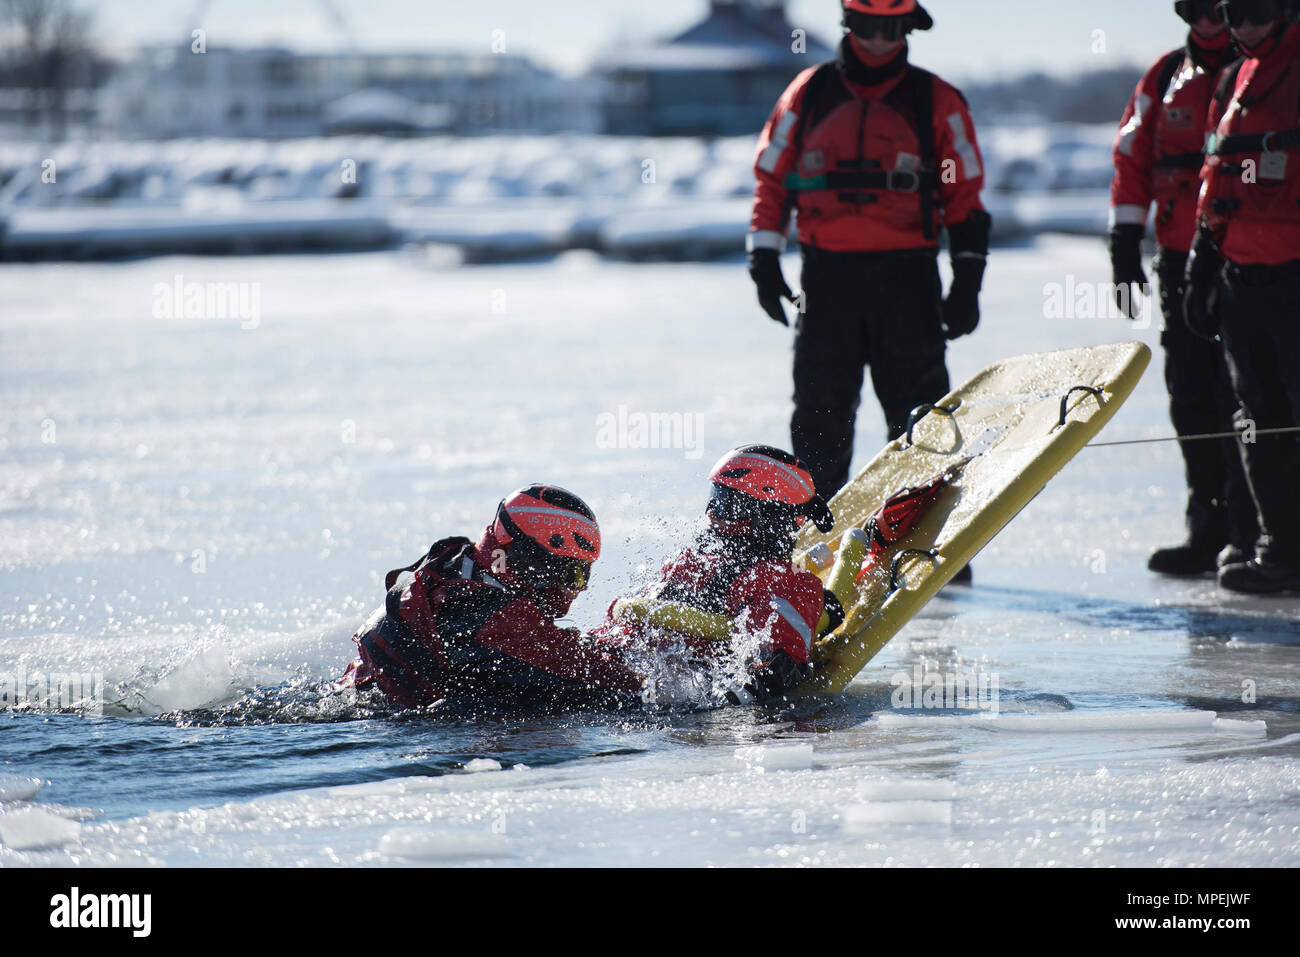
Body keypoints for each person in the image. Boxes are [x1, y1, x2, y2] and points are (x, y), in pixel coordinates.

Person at [746, 0, 991, 512]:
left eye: (891, 27)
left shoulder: (936, 100)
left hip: (908, 279)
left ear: (909, 28)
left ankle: (926, 533)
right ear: (847, 23)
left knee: (919, 415)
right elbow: (773, 179)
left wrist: (967, 278)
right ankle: (818, 539)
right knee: (819, 412)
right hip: (825, 278)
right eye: (866, 25)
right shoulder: (808, 93)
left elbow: (961, 191)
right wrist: (764, 260)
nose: (879, 39)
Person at [1110, 0, 1257, 576]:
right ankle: (1209, 531)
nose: (1207, 17)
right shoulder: (1165, 76)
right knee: (1192, 395)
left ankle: (1256, 536)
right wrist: (1124, 244)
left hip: (1250, 262)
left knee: (1249, 399)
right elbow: (1131, 159)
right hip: (1178, 263)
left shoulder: (1267, 75)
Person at [338, 485, 646, 708]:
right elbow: (623, 684)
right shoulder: (498, 616)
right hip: (379, 728)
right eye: (573, 574)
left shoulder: (459, 569)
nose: (580, 588)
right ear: (534, 564)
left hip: (360, 704)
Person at [1184, 0, 1300, 593]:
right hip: (1240, 277)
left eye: (1257, 12)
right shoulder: (1234, 77)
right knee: (1257, 419)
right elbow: (1215, 172)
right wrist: (1203, 259)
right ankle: (1279, 549)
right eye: (1235, 13)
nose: (1244, 27)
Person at [593, 445, 838, 704]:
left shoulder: (787, 584)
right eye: (714, 497)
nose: (711, 513)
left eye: (726, 504)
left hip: (662, 702)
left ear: (769, 516)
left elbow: (774, 666)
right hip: (626, 676)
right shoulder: (692, 562)